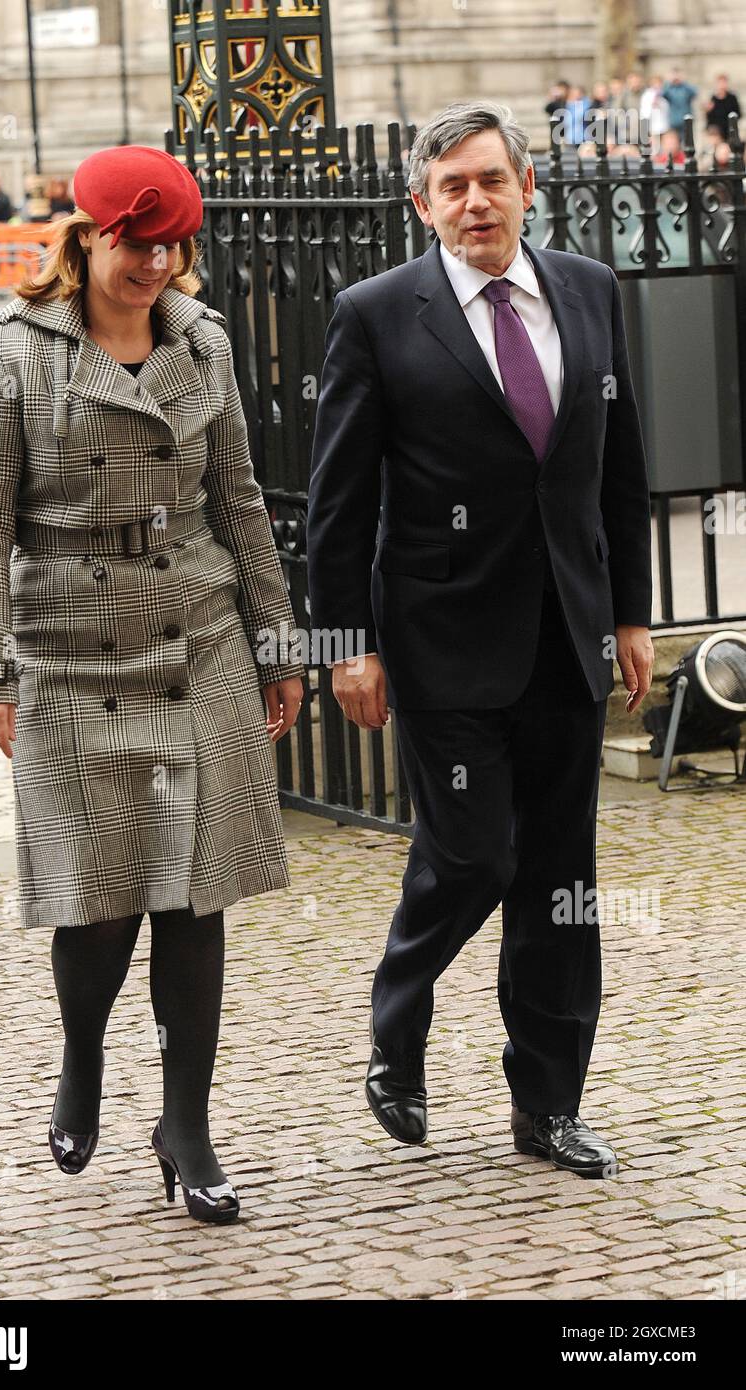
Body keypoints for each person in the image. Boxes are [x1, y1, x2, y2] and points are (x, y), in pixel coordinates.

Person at [0, 144, 306, 1223]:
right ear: (88, 236)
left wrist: (278, 640)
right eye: (134, 244)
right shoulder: (16, 354)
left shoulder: (200, 341)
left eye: (172, 247)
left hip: (195, 634)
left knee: (196, 900)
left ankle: (186, 1124)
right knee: (99, 901)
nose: (155, 264)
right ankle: (80, 1057)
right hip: (70, 645)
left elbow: (239, 496)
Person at [306, 100, 654, 1179]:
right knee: (476, 851)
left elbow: (618, 467)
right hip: (442, 637)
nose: (474, 202)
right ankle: (398, 1021)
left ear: (526, 189)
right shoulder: (375, 315)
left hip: (569, 635)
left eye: (491, 181)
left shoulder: (591, 290)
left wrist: (632, 612)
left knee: (563, 879)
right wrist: (344, 644)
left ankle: (547, 1103)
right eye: (451, 187)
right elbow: (337, 500)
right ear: (422, 204)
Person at [704, 74, 741, 143]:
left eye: (724, 82)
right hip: (717, 133)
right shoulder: (713, 98)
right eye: (720, 83)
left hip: (729, 131)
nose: (722, 85)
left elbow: (738, 114)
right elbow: (709, 118)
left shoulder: (732, 98)